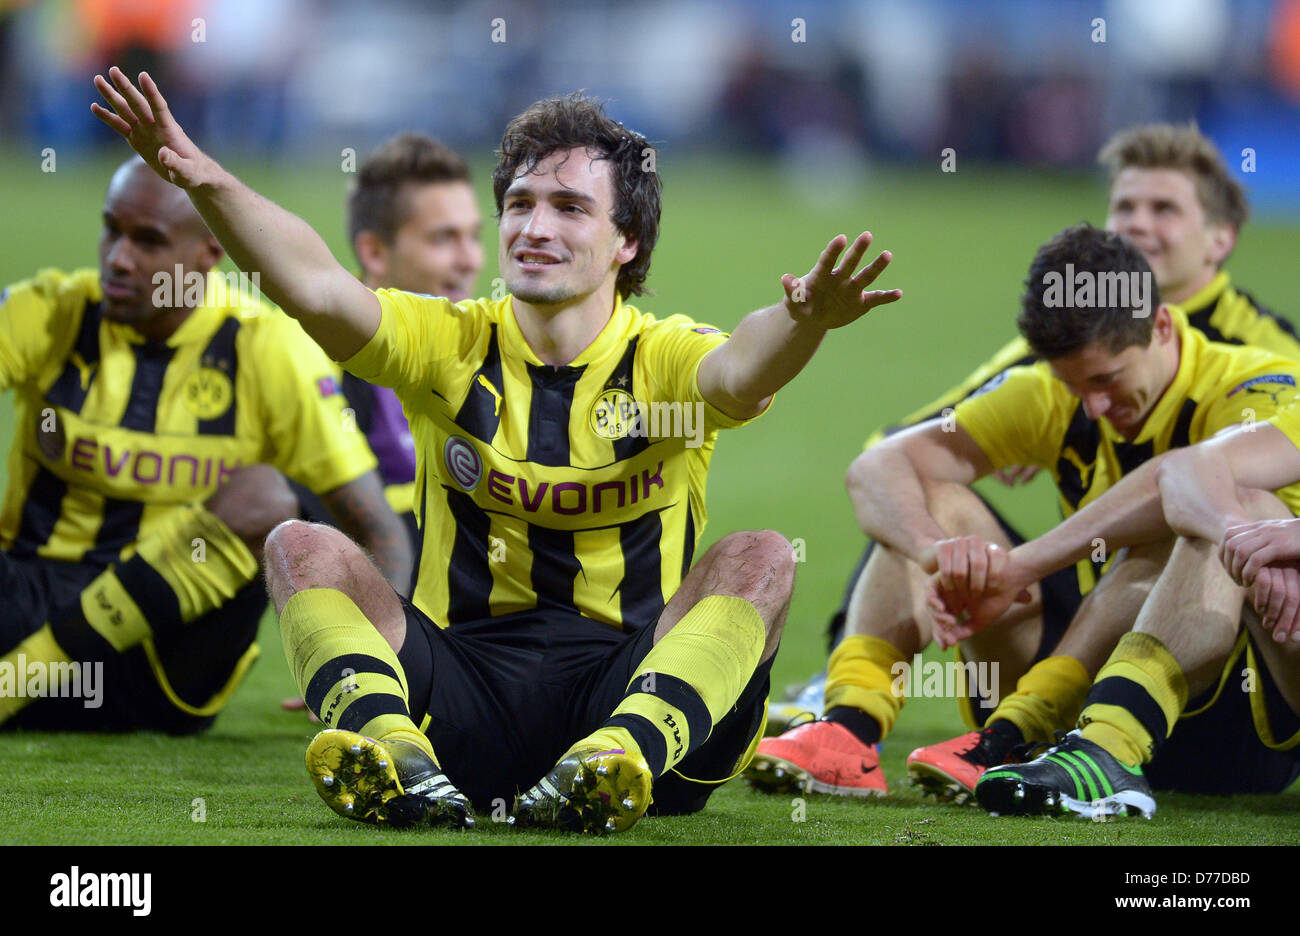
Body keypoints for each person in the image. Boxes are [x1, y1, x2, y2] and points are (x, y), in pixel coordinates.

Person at [91, 68, 901, 833]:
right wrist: (204, 179)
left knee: (760, 557)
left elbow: (744, 365)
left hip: (641, 690)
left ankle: (616, 758)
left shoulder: (666, 358)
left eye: (569, 208)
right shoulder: (446, 342)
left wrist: (804, 322)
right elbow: (314, 284)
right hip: (464, 699)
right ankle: (397, 756)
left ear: (627, 241)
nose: (534, 227)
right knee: (300, 548)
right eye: (519, 203)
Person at [773, 123, 1300, 736]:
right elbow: (893, 455)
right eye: (1124, 206)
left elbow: (1187, 481)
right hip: (1097, 603)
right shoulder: (1060, 351)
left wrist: (1021, 563)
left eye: (1164, 208)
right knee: (931, 501)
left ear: (1219, 239)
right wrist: (942, 537)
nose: (1138, 223)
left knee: (1216, 515)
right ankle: (850, 706)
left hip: (1241, 619)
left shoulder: (1268, 361)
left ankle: (1069, 723)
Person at [0, 158, 407, 733]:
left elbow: (380, 530)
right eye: (112, 229)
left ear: (208, 256)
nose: (119, 258)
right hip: (29, 597)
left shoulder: (266, 348)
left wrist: (369, 665)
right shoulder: (50, 311)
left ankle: (20, 679)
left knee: (267, 497)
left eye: (148, 241)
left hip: (164, 657)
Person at [935, 405, 1300, 817]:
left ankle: (1051, 728)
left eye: (1106, 379)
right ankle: (1097, 743)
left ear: (1161, 335)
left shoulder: (1243, 375)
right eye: (1081, 386)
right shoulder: (1046, 387)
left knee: (1242, 517)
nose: (1096, 407)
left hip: (1246, 733)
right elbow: (1186, 467)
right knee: (1234, 513)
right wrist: (1241, 536)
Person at [281, 133, 485, 719]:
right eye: (443, 238)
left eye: (473, 235)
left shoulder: (490, 354)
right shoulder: (303, 362)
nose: (470, 259)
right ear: (374, 252)